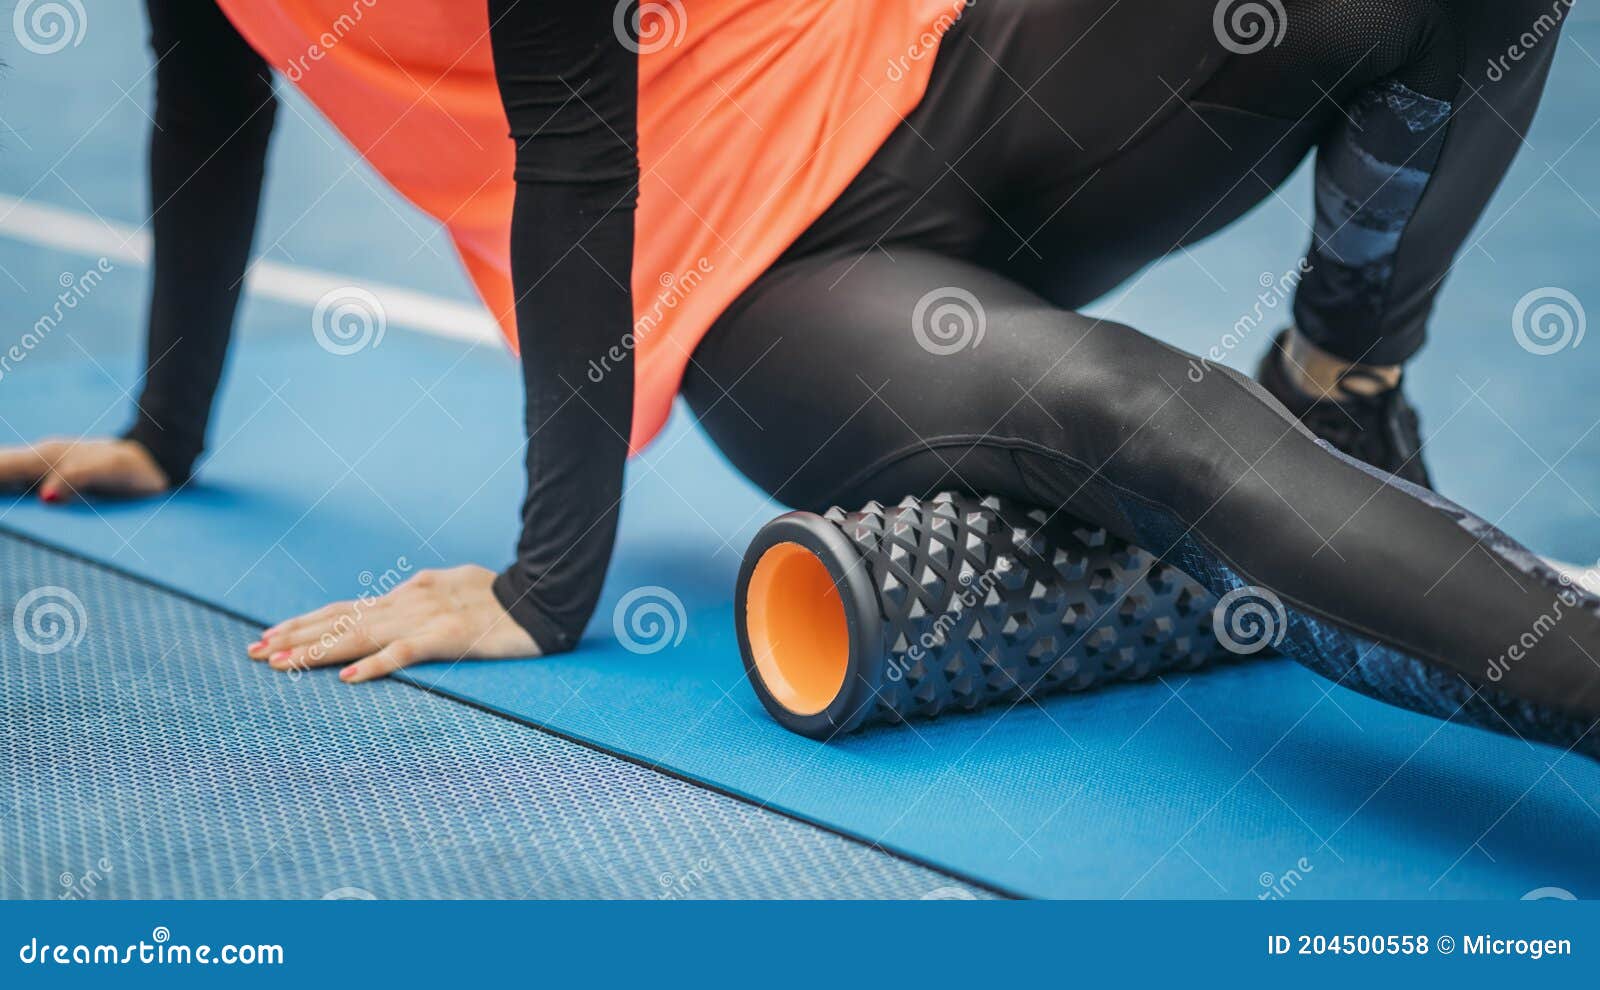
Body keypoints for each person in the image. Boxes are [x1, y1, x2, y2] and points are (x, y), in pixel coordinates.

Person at [4, 1, 1596, 752]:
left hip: (955, 69)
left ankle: (1341, 380)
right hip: (767, 292)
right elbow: (208, 99)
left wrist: (548, 582)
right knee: (1147, 416)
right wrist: (164, 429)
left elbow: (565, 114)